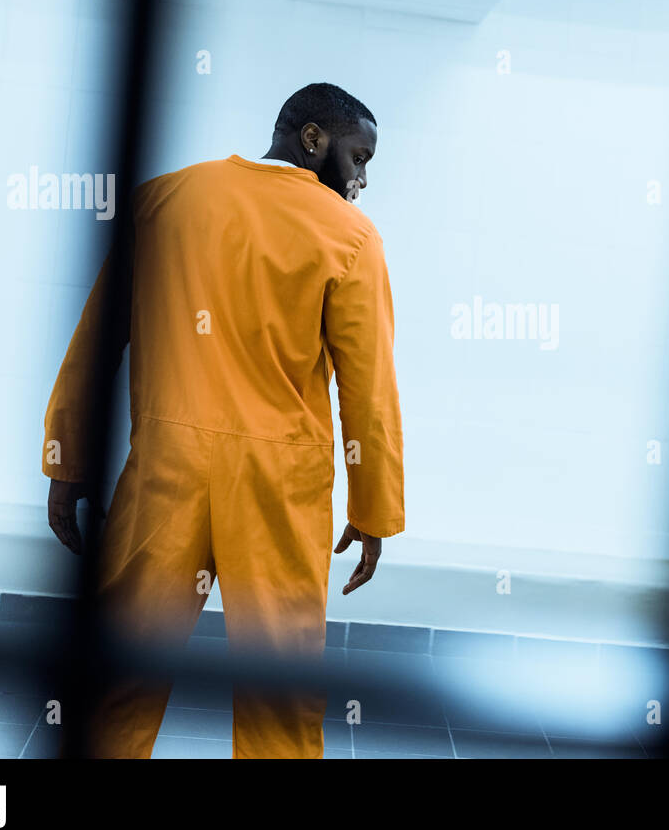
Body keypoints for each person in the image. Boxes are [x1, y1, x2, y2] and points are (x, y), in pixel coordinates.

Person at [41, 82, 404, 758]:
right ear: (313, 139)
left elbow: (98, 336)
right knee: (281, 695)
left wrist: (67, 459)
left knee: (119, 671)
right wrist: (374, 505)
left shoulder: (165, 198)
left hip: (164, 469)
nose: (360, 180)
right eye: (358, 158)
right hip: (278, 487)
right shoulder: (351, 236)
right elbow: (369, 388)